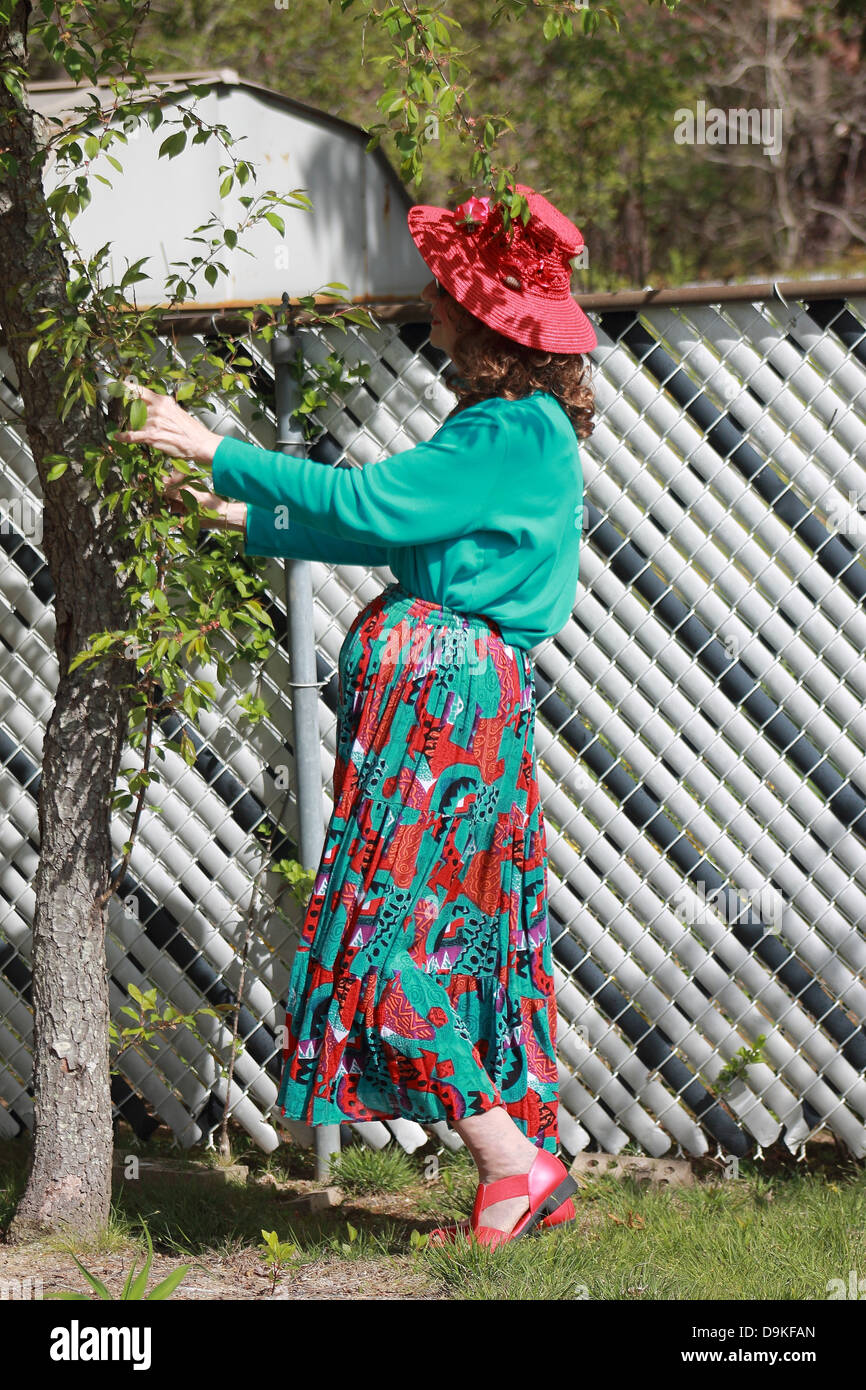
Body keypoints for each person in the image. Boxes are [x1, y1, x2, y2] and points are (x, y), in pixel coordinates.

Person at [115, 183, 597, 1249]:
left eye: (442, 288)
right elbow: (401, 532)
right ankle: (513, 1173)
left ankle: (513, 1164)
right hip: (443, 697)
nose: (426, 300)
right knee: (443, 931)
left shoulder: (509, 430)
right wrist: (251, 515)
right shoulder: (501, 428)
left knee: (387, 942)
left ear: (481, 314)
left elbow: (377, 504)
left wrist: (216, 447)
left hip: (441, 703)